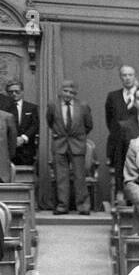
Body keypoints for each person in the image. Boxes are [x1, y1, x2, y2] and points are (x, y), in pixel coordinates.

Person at [47, 79, 95, 215]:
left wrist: (78, 136)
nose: (68, 94)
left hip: (77, 144)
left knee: (80, 177)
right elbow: (50, 122)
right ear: (60, 91)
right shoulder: (52, 105)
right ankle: (62, 206)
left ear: (75, 94)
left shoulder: (83, 106)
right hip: (59, 144)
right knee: (61, 177)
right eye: (65, 91)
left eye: (71, 92)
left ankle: (83, 206)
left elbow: (88, 125)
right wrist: (61, 134)